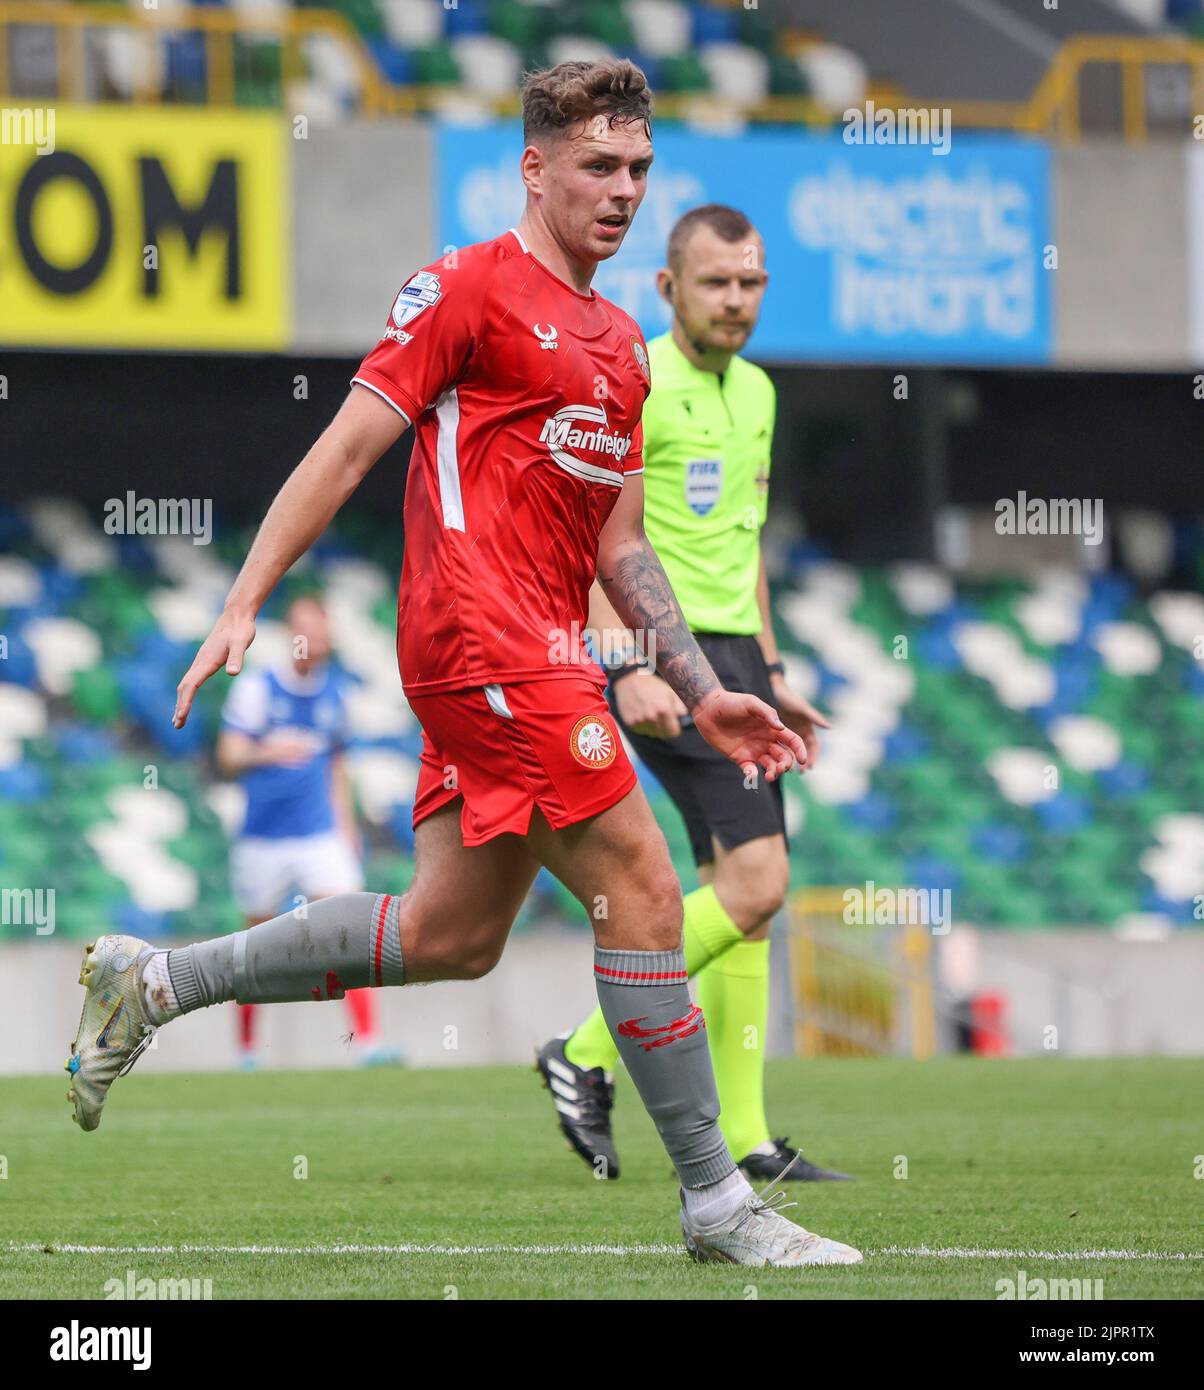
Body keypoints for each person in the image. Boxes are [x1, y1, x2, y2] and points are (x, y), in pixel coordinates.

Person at [64, 59, 860, 1268]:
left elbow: (624, 548)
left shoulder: (622, 353)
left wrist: (706, 694)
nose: (621, 188)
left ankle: (154, 982)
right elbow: (341, 452)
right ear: (533, 167)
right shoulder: (463, 291)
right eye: (597, 165)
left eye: (638, 167)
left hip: (533, 652)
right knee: (644, 887)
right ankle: (717, 1203)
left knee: (451, 934)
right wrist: (242, 602)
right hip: (483, 642)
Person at [537, 205, 852, 1184]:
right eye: (715, 281)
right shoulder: (635, 383)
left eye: (751, 282)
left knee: (746, 897)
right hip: (672, 656)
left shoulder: (755, 392)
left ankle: (748, 1133)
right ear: (667, 287)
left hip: (740, 661)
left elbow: (744, 543)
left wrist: (775, 667)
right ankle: (584, 1049)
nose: (736, 300)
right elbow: (598, 539)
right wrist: (628, 663)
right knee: (758, 881)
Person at [217, 593, 400, 1068]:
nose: (313, 642)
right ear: (289, 636)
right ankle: (247, 1051)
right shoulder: (257, 690)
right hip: (263, 838)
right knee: (255, 942)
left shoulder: (335, 693)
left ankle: (368, 1042)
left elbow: (337, 767)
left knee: (348, 927)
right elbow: (228, 757)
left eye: (320, 633)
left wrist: (347, 828)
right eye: (305, 632)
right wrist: (267, 751)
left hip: (319, 835)